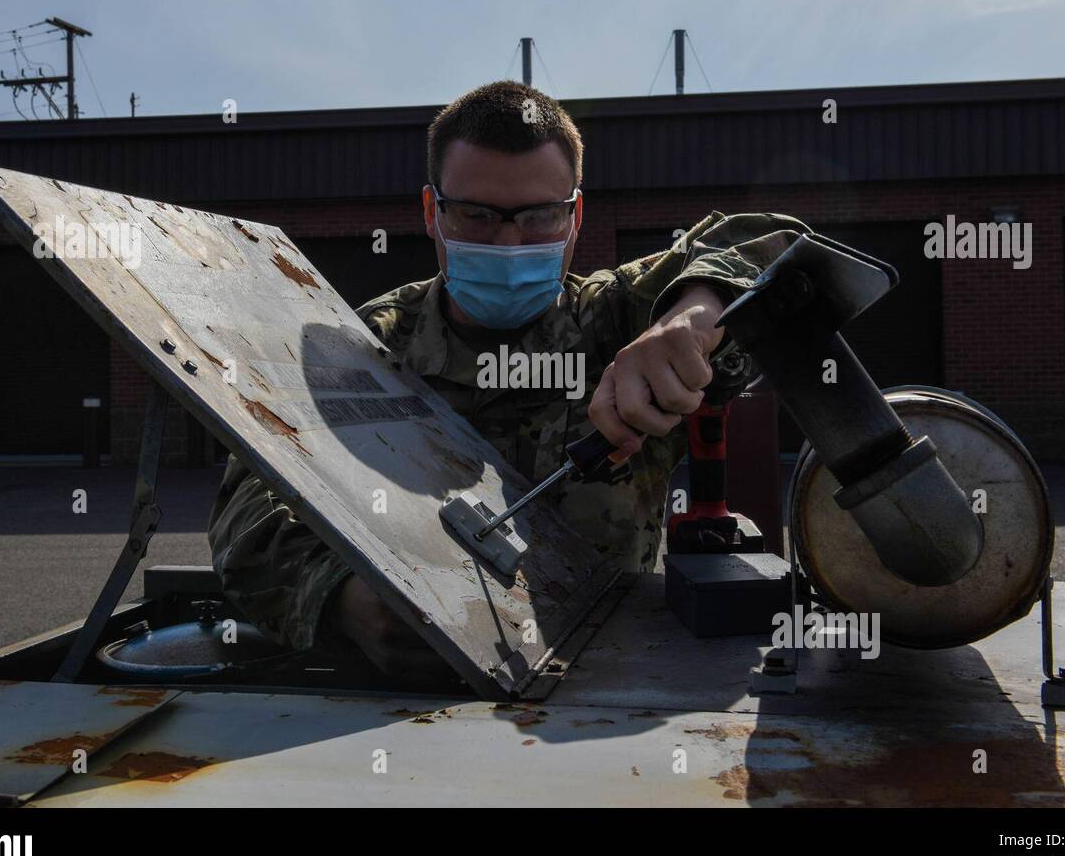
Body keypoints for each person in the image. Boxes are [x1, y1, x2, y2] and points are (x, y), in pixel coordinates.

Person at [207, 80, 810, 682]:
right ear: (430, 213)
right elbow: (252, 502)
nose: (509, 242)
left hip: (603, 686)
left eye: (541, 216)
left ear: (576, 215)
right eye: (475, 216)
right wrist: (341, 600)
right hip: (400, 701)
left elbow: (782, 249)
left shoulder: (616, 317)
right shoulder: (371, 344)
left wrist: (694, 314)